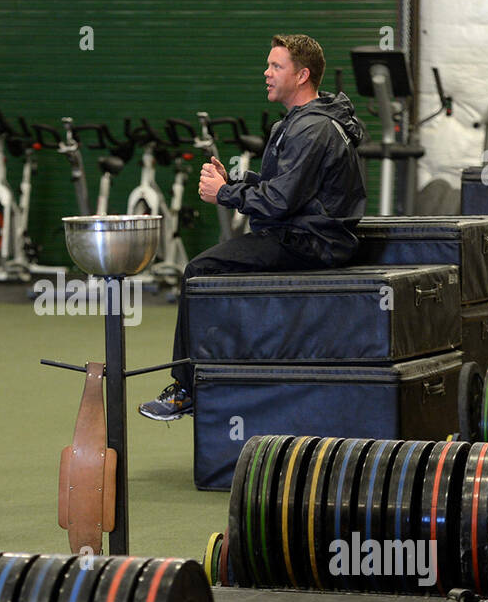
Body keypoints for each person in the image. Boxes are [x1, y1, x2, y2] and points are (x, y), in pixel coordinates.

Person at [138, 33, 367, 421]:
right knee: (213, 265)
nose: (266, 73)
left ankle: (186, 389)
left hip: (312, 243)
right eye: (268, 65)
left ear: (302, 75)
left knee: (198, 271)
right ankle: (219, 374)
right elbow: (284, 188)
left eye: (276, 66)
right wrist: (237, 183)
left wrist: (225, 194)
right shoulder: (296, 124)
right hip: (296, 234)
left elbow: (280, 202)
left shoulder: (313, 129)